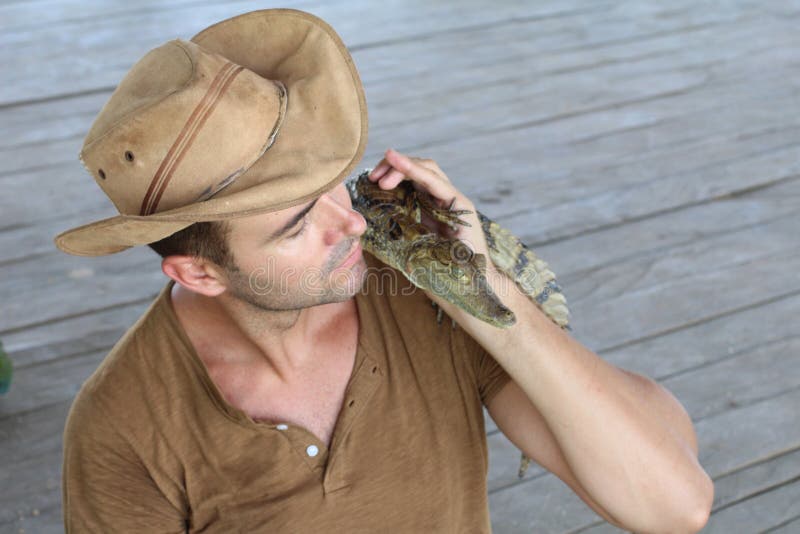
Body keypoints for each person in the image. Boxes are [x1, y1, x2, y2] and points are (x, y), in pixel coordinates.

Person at [56, 8, 713, 533]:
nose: (351, 225)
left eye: (333, 187)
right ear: (200, 274)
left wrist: (481, 286)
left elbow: (673, 506)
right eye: (296, 226)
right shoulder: (125, 425)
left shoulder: (418, 290)